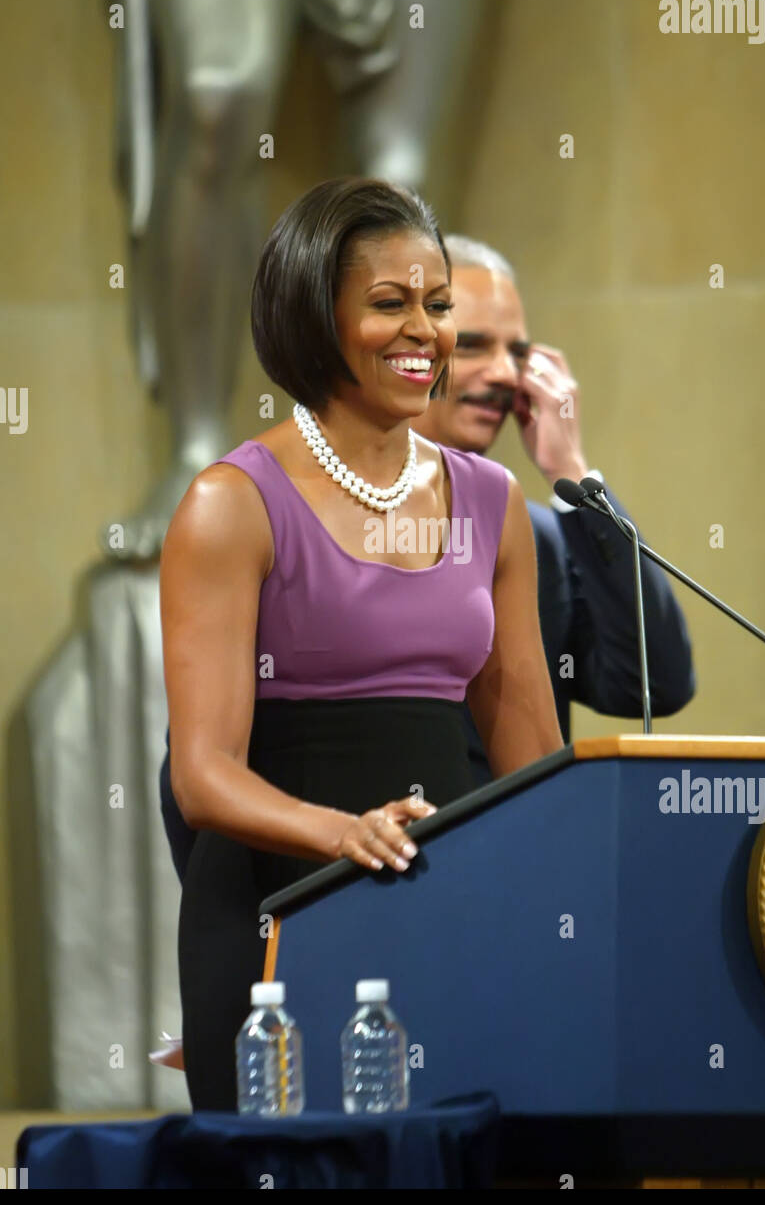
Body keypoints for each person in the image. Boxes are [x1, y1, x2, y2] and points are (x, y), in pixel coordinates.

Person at [159, 178, 564, 1110]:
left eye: (436, 304)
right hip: (279, 915)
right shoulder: (232, 504)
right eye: (388, 304)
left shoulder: (495, 506)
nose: (424, 331)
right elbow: (202, 776)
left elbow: (534, 759)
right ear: (315, 316)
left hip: (449, 905)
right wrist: (348, 835)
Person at [411, 237, 695, 784]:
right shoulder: (323, 518)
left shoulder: (539, 536)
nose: (504, 374)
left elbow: (655, 682)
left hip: (523, 855)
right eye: (472, 346)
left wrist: (573, 475)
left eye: (518, 354)